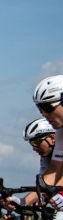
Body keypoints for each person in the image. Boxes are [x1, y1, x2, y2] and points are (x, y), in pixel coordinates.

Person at [0, 118, 56, 220]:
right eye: (32, 144)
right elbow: (43, 187)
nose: (34, 148)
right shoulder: (46, 157)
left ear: (52, 138)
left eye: (37, 143)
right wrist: (21, 205)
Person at [33, 76, 63, 206]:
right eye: (40, 109)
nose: (44, 114)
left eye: (47, 107)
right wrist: (23, 202)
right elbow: (54, 172)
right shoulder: (61, 132)